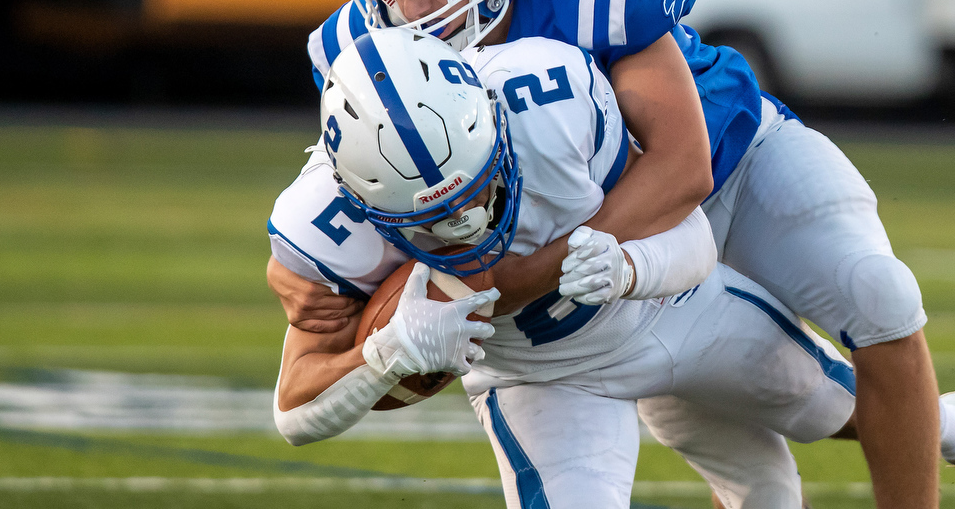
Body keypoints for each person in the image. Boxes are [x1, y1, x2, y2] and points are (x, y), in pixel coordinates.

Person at [290, 0, 940, 507]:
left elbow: (682, 165)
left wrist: (518, 278)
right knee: (749, 454)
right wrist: (307, 281)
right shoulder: (361, 54)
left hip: (733, 163)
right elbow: (362, 199)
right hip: (599, 291)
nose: (411, 8)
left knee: (877, 293)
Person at [269, 28, 858, 508]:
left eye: (477, 189)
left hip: (670, 310)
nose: (469, 224)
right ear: (359, 197)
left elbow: (690, 231)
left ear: (492, 118)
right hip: (540, 381)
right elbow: (294, 411)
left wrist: (629, 267)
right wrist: (386, 353)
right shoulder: (325, 223)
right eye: (434, 219)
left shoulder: (549, 97)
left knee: (843, 405)